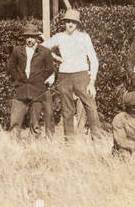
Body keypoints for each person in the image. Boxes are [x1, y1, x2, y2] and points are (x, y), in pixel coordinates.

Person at [43, 9, 103, 138]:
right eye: (68, 21)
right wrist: (54, 57)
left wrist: (92, 81)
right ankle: (69, 141)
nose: (70, 24)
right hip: (64, 76)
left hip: (81, 75)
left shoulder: (84, 37)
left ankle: (98, 138)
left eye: (73, 22)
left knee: (90, 106)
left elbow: (94, 59)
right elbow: (42, 48)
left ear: (78, 24)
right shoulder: (59, 36)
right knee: (67, 110)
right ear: (64, 23)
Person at [7, 23, 56, 139]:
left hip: (37, 90)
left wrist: (38, 79)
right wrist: (18, 78)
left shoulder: (44, 52)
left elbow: (49, 69)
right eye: (27, 37)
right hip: (20, 90)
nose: (29, 40)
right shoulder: (17, 51)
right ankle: (14, 143)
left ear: (37, 38)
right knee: (15, 119)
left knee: (35, 121)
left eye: (32, 37)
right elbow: (11, 67)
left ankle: (34, 144)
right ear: (24, 38)